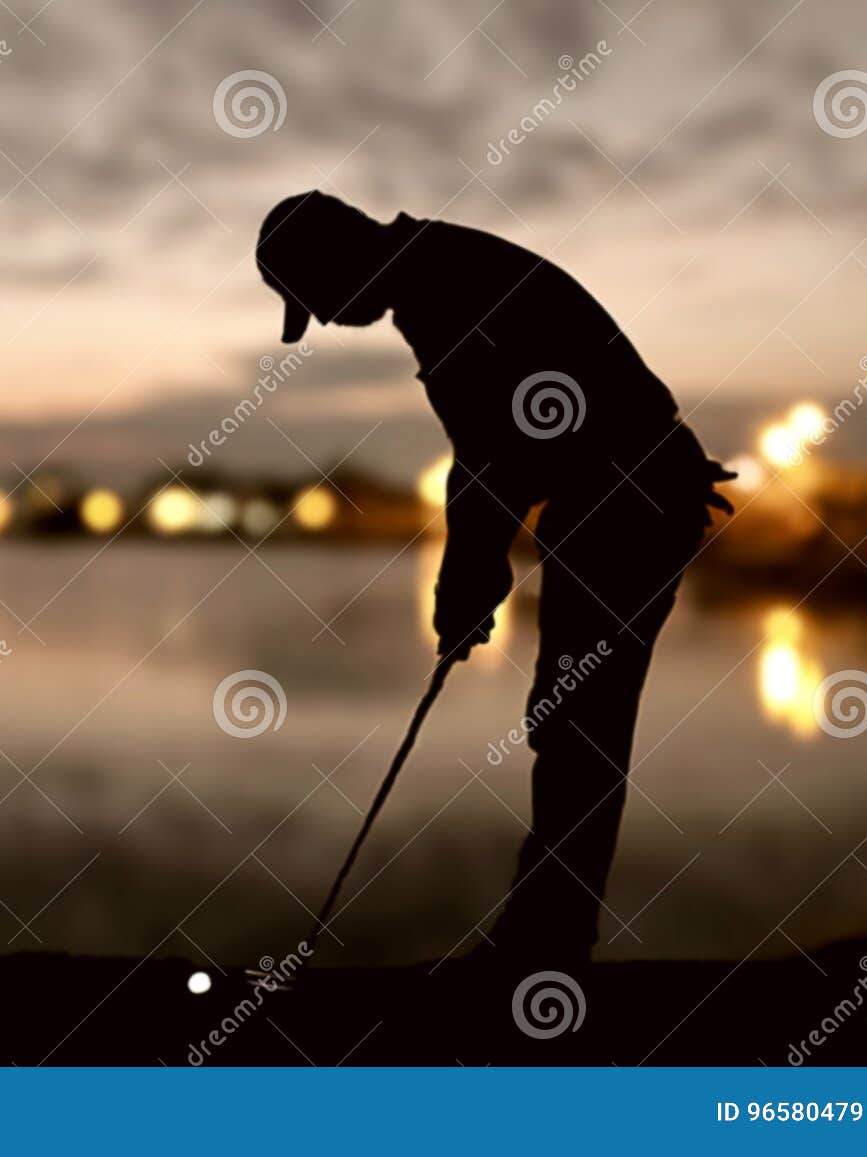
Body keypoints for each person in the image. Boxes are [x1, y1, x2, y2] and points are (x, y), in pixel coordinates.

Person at [256, 191, 733, 963]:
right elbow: (493, 450)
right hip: (615, 494)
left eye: (320, 300)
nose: (333, 320)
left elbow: (502, 454)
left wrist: (468, 576)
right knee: (573, 718)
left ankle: (545, 945)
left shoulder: (446, 287)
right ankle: (545, 934)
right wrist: (469, 572)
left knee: (577, 719)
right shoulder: (433, 275)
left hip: (625, 498)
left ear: (339, 260)